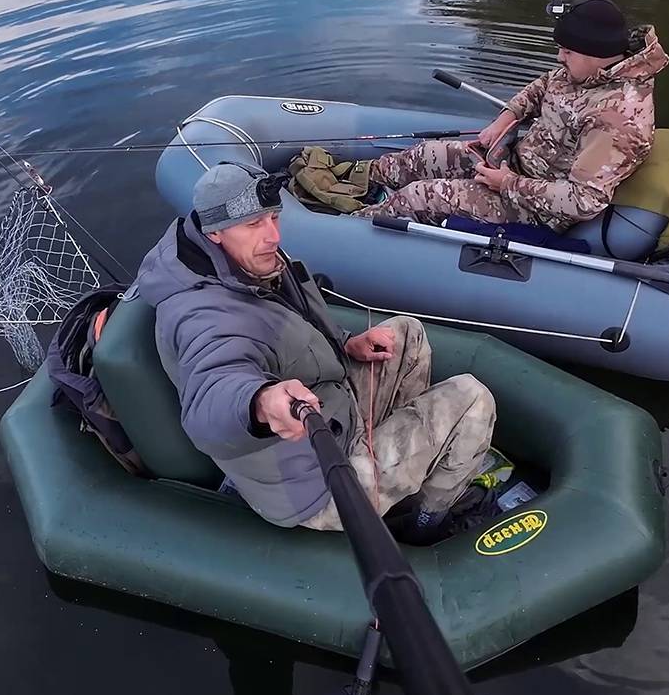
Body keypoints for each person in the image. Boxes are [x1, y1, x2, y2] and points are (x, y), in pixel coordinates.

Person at [132, 163, 497, 542]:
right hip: (316, 480)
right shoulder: (203, 315)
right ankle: (424, 522)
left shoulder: (244, 263)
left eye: (274, 217)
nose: (273, 235)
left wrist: (344, 341)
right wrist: (259, 402)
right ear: (215, 232)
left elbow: (297, 321)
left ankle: (404, 463)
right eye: (254, 224)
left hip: (333, 414)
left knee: (407, 332)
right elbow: (214, 389)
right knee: (473, 399)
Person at [356, 0, 669, 231]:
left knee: (421, 196)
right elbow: (542, 87)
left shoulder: (616, 120)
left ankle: (349, 226)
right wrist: (504, 120)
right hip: (513, 164)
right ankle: (353, 180)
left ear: (596, 53)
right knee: (425, 155)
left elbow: (583, 201)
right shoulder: (585, 72)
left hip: (538, 208)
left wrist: (507, 183)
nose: (559, 57)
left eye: (567, 51)